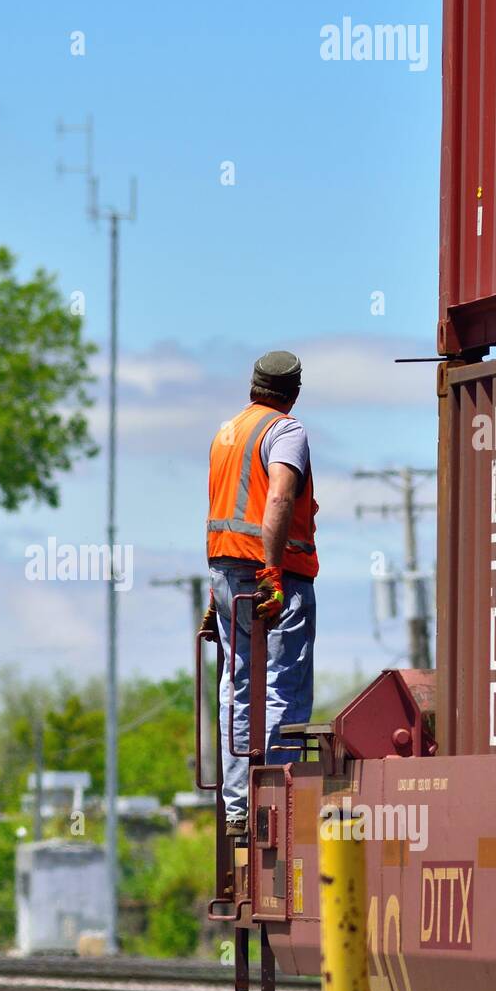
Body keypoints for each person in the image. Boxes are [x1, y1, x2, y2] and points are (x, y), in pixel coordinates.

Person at [200, 350, 318, 835]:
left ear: (253, 387)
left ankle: (237, 807)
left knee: (237, 684)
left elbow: (224, 506)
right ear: (293, 392)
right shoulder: (286, 431)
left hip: (227, 573)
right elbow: (279, 497)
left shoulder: (226, 432)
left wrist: (217, 592)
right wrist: (271, 571)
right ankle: (276, 800)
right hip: (276, 574)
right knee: (282, 684)